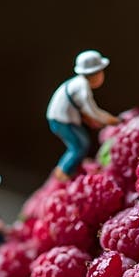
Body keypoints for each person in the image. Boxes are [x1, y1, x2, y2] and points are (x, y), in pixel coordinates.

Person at [46, 50, 119, 181]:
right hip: (60, 121)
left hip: (61, 118)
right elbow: (92, 110)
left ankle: (72, 170)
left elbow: (81, 109)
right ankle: (63, 173)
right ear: (94, 74)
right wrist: (111, 120)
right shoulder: (82, 88)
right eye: (101, 71)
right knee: (80, 145)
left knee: (80, 143)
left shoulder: (78, 83)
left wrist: (89, 119)